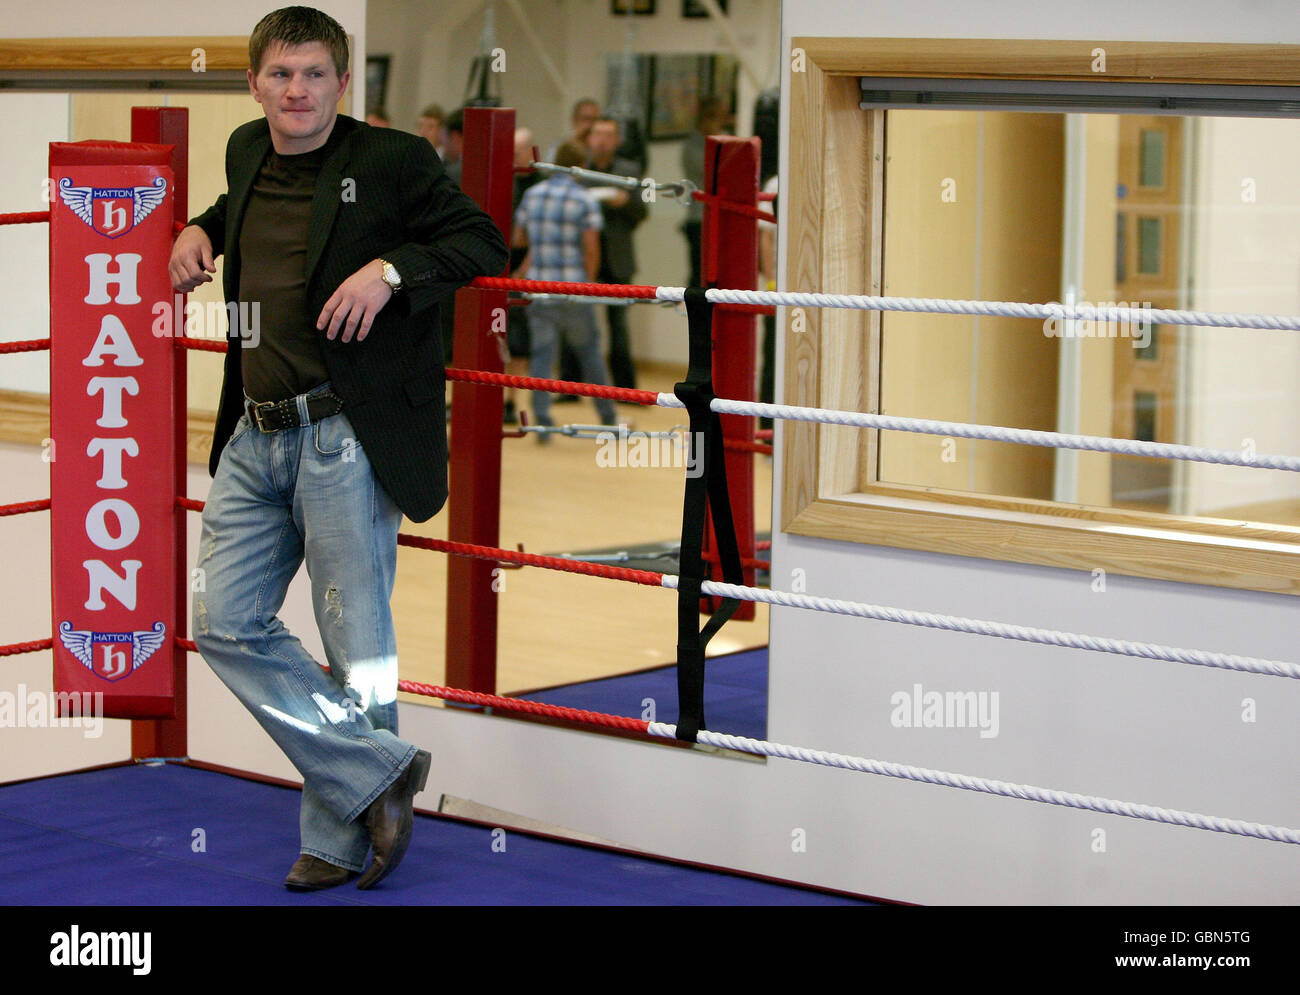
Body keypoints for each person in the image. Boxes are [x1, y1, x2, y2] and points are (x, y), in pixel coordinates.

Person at [168, 6, 508, 892]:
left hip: (343, 434)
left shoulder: (390, 162)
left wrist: (390, 272)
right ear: (254, 83)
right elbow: (233, 208)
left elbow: (480, 239)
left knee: (356, 643)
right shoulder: (247, 147)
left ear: (343, 81)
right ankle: (376, 773)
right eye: (280, 75)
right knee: (223, 620)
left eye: (315, 74)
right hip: (255, 427)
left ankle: (339, 836)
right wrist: (198, 229)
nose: (297, 91)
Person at [513, 140, 618, 438]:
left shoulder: (533, 195)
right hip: (573, 288)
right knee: (590, 354)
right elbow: (591, 248)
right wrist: (591, 282)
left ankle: (543, 423)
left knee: (542, 355)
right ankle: (608, 418)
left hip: (540, 287)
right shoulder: (584, 199)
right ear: (579, 167)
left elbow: (519, 238)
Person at [584, 116, 646, 390]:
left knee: (618, 324)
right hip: (583, 254)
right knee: (578, 320)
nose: (603, 140)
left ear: (617, 140)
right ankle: (571, 387)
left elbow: (643, 212)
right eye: (598, 134)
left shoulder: (629, 171)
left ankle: (624, 387)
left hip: (617, 257)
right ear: (589, 138)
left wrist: (624, 202)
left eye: (609, 134)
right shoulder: (578, 170)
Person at [680, 96, 733, 288]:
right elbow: (712, 170)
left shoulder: (726, 139)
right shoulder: (693, 146)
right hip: (700, 217)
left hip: (723, 214)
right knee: (700, 273)